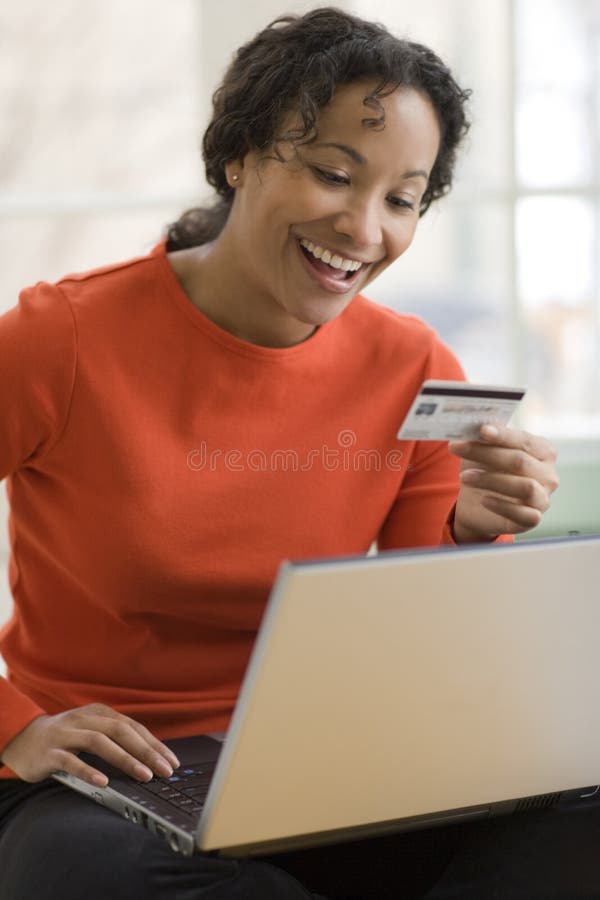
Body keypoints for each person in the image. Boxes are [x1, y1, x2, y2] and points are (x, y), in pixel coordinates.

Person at [2, 6, 589, 899]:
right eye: (331, 173)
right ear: (238, 154)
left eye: (401, 199)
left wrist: (471, 538)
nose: (362, 228)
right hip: (110, 776)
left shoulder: (415, 366)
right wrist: (12, 725)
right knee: (74, 872)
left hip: (328, 762)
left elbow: (422, 653)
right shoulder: (63, 338)